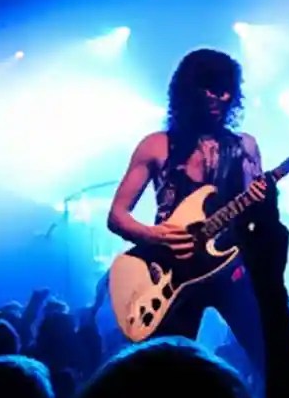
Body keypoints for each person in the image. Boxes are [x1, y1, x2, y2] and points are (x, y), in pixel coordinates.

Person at [107, 48, 267, 369]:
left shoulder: (244, 147)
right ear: (188, 91)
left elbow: (259, 220)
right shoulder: (156, 145)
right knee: (167, 370)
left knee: (271, 354)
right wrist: (155, 236)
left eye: (226, 90)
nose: (220, 97)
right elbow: (117, 216)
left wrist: (262, 205)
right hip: (172, 272)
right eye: (210, 87)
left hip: (229, 265)